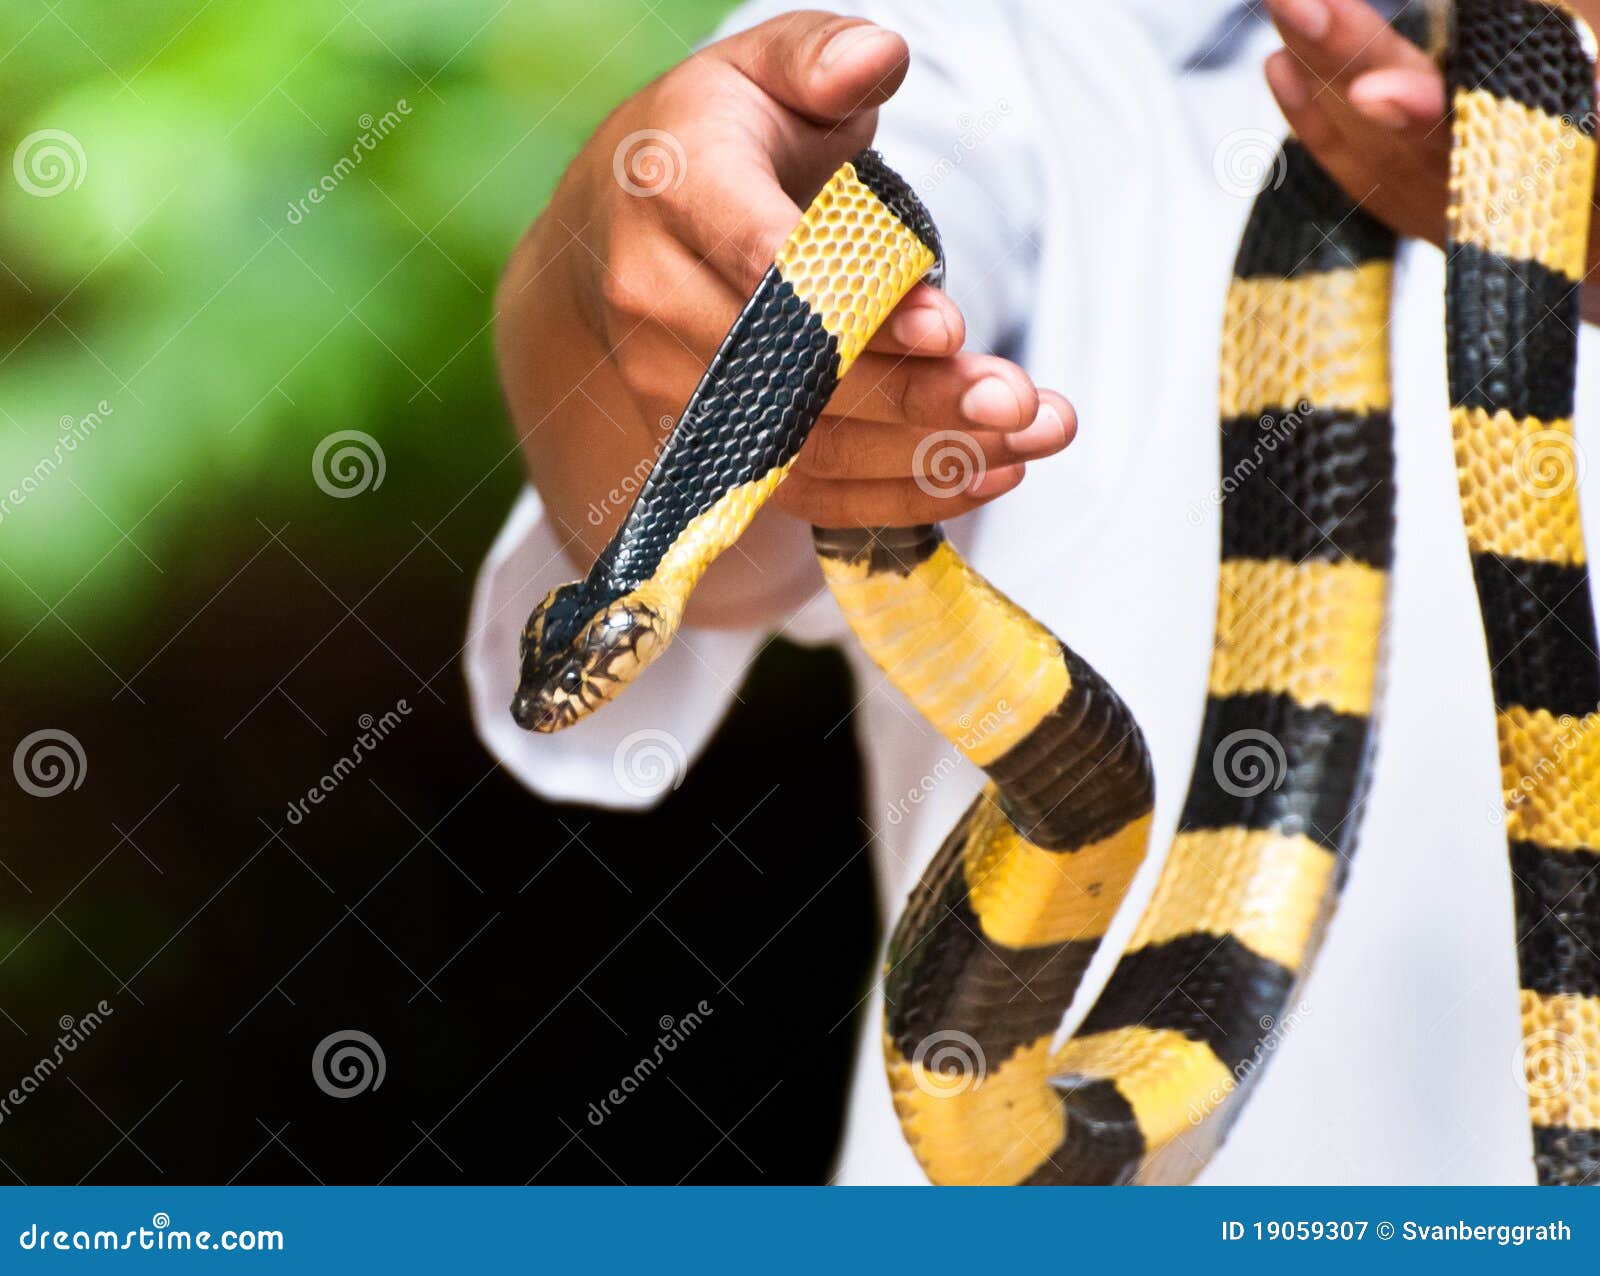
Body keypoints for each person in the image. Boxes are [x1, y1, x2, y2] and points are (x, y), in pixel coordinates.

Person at [468, 0, 1600, 1184]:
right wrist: (619, 238)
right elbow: (737, 269)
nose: (583, 685)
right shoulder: (1004, 37)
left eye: (588, 660)